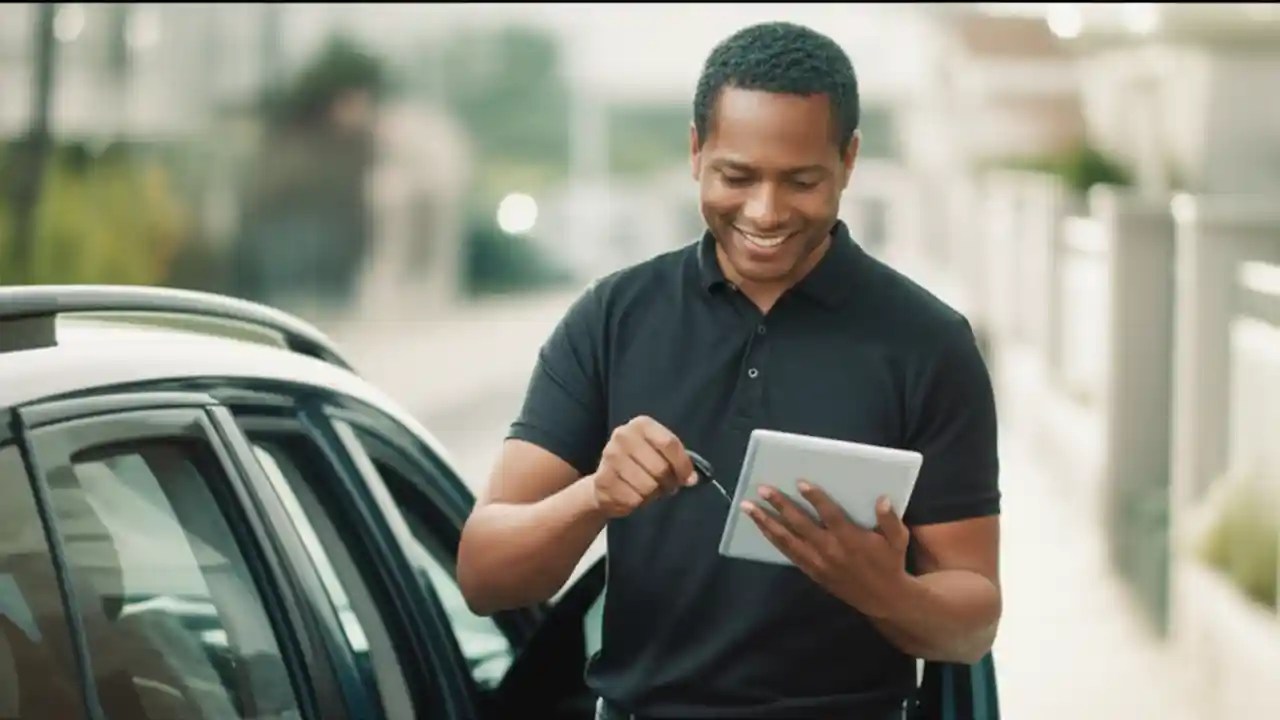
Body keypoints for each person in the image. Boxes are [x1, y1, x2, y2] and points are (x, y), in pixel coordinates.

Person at [457, 20, 1002, 720]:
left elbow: (975, 620)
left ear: (850, 160)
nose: (766, 212)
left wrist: (882, 589)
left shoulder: (930, 344)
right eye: (736, 176)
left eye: (801, 181)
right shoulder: (612, 318)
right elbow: (483, 577)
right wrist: (595, 495)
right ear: (695, 152)